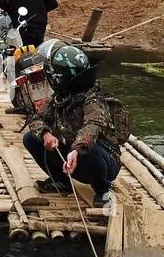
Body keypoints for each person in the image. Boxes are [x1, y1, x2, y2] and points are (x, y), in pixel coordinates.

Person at [23, 44, 130, 208]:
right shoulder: (59, 97)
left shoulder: (94, 97)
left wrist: (77, 148)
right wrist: (46, 134)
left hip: (102, 161)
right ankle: (61, 181)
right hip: (70, 159)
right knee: (30, 139)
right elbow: (37, 120)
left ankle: (102, 190)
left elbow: (93, 125)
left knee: (89, 149)